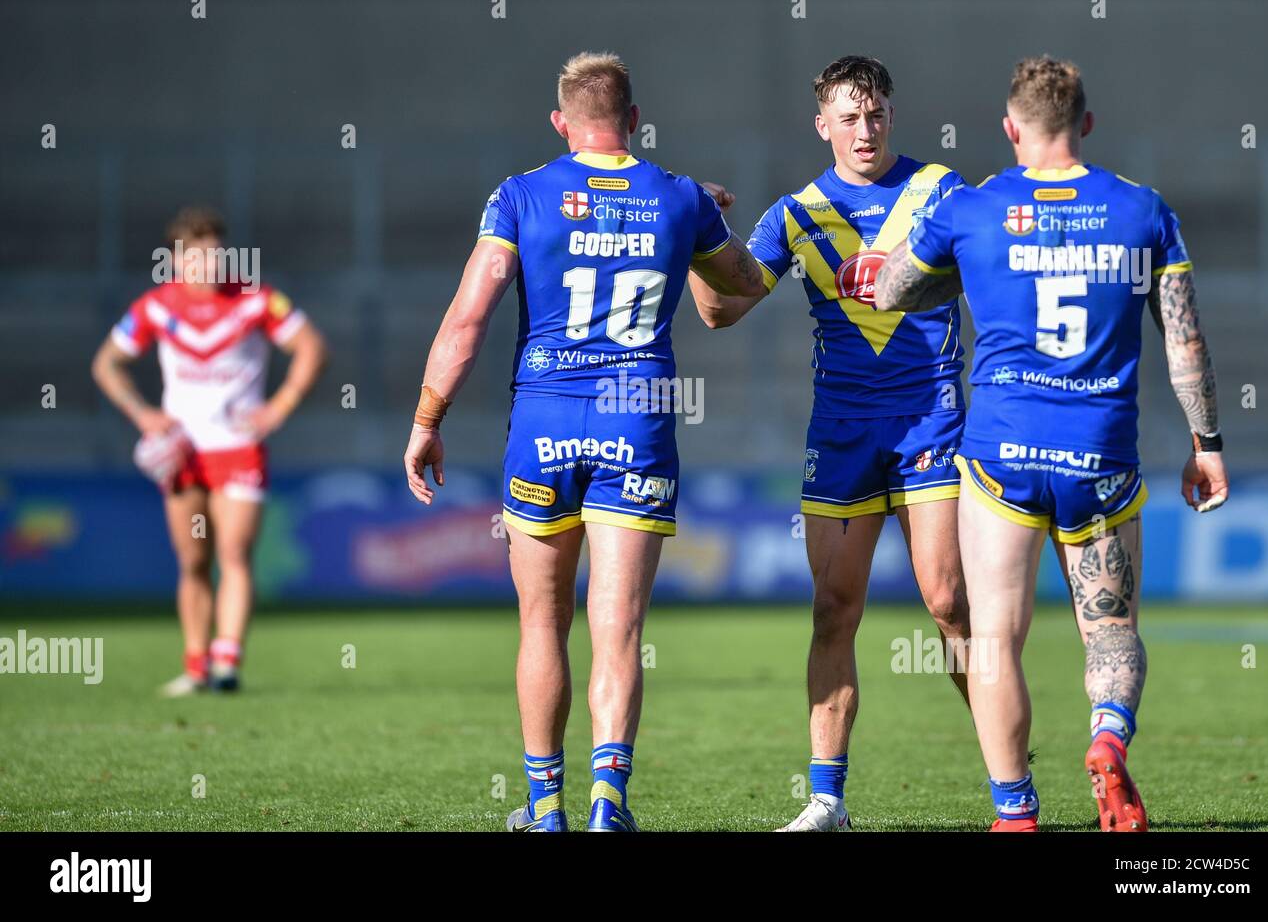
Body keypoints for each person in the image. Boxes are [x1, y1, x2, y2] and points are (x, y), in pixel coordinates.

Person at [402, 52, 767, 832]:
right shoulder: (677, 198)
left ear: (562, 124)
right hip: (636, 420)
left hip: (544, 423)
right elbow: (742, 282)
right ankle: (610, 801)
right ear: (634, 120)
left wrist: (428, 419)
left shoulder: (520, 196)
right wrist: (705, 220)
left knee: (542, 623)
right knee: (619, 628)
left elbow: (466, 324)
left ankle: (545, 807)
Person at [875, 55, 1229, 832]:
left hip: (1002, 451)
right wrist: (1207, 441)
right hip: (1099, 450)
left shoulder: (971, 209)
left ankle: (1014, 813)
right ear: (1087, 125)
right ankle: (1107, 738)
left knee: (993, 635)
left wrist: (960, 269)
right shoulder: (1143, 211)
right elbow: (1185, 340)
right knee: (1110, 630)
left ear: (1010, 129)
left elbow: (893, 289)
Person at [688, 56, 972, 831]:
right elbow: (721, 311)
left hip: (931, 424)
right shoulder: (796, 214)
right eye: (848, 118)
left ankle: (1008, 776)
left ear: (891, 115)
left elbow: (996, 272)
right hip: (842, 434)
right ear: (823, 126)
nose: (865, 130)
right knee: (832, 610)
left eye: (875, 114)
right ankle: (826, 801)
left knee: (949, 601)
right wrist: (696, 236)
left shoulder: (939, 190)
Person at [92, 206, 328, 695]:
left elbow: (311, 347)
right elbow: (107, 363)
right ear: (176, 260)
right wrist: (142, 415)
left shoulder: (255, 300)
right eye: (197, 255)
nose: (209, 263)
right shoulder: (157, 307)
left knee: (234, 554)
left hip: (238, 447)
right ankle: (196, 666)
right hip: (182, 452)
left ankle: (227, 663)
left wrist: (279, 406)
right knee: (192, 561)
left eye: (216, 253)